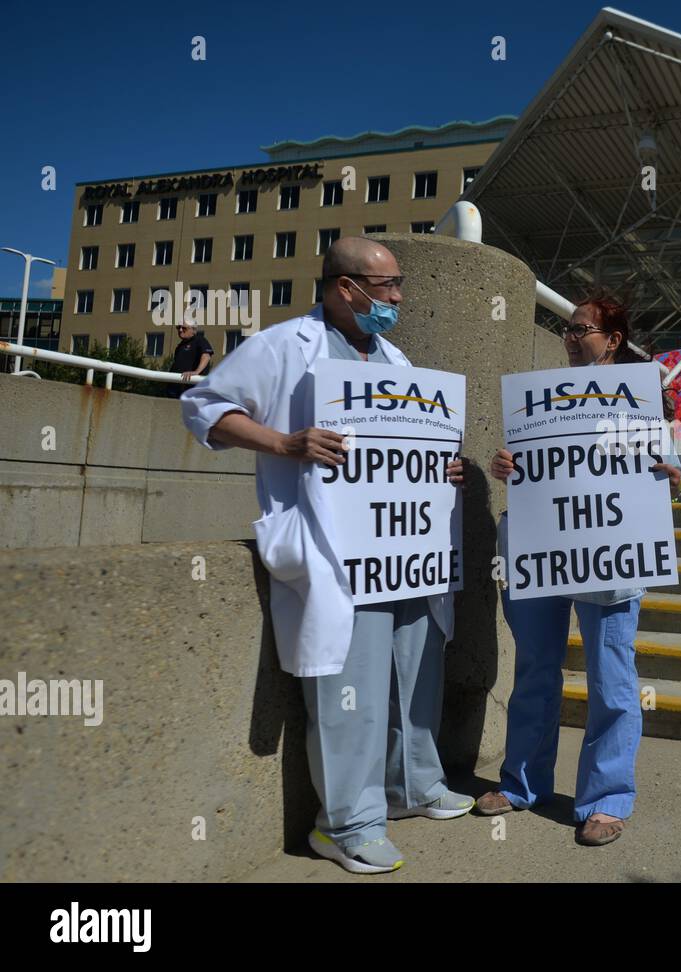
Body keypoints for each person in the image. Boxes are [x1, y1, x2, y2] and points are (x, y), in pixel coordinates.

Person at [180, 237, 473, 875]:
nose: (397, 299)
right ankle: (345, 825)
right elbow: (203, 408)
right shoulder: (284, 346)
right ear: (346, 287)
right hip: (336, 548)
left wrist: (436, 470)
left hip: (405, 546)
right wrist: (286, 443)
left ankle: (412, 787)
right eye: (387, 286)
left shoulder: (394, 356)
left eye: (399, 286)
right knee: (353, 691)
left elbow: (404, 445)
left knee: (414, 673)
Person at [475, 293, 681, 846]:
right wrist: (506, 465)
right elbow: (530, 465)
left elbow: (674, 470)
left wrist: (670, 471)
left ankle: (606, 800)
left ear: (613, 339)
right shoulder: (541, 397)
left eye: (581, 329)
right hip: (541, 548)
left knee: (611, 680)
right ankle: (522, 784)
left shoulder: (643, 396)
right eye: (566, 330)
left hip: (610, 557)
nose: (570, 338)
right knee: (535, 670)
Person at [167, 323, 213, 398]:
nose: (180, 330)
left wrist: (196, 372)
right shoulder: (180, 346)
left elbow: (206, 356)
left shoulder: (200, 340)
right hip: (175, 389)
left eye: (184, 328)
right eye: (178, 327)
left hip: (190, 390)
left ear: (193, 330)